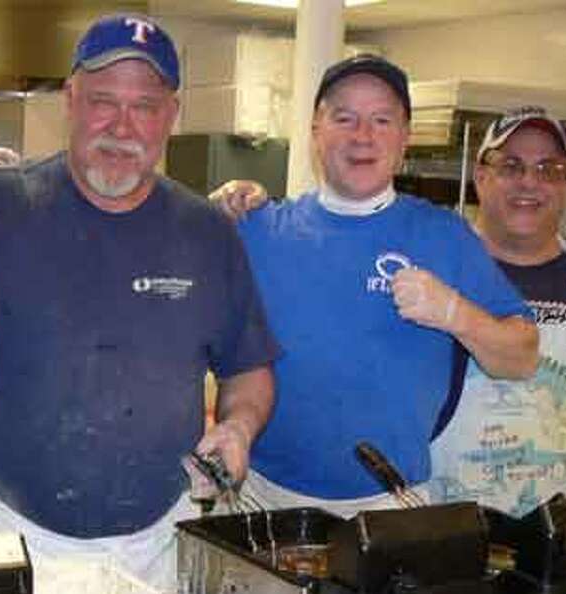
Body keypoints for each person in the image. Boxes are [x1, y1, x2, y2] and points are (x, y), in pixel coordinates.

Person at [0, 14, 280, 588]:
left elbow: (248, 368)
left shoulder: (206, 232)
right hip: (8, 535)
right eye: (102, 101)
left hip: (155, 546)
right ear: (70, 99)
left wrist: (238, 428)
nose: (122, 126)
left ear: (172, 115)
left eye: (144, 105)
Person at [230, 54, 538, 517]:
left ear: (404, 138)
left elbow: (523, 357)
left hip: (390, 504)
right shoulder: (258, 229)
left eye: (381, 119)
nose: (363, 136)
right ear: (316, 128)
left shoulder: (444, 235)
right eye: (344, 117)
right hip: (258, 497)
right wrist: (219, 206)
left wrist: (455, 313)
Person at [429, 108, 566, 514]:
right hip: (464, 528)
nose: (530, 182)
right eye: (511, 166)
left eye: (549, 169)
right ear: (481, 177)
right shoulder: (441, 267)